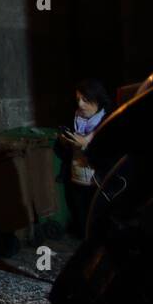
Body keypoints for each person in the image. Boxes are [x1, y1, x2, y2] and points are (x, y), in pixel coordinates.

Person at [57, 78, 112, 238]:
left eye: (86, 100)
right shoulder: (74, 117)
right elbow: (63, 149)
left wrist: (87, 145)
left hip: (97, 182)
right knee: (82, 222)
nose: (80, 104)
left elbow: (110, 153)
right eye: (78, 99)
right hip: (76, 177)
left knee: (99, 224)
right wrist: (64, 141)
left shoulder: (108, 121)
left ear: (98, 100)